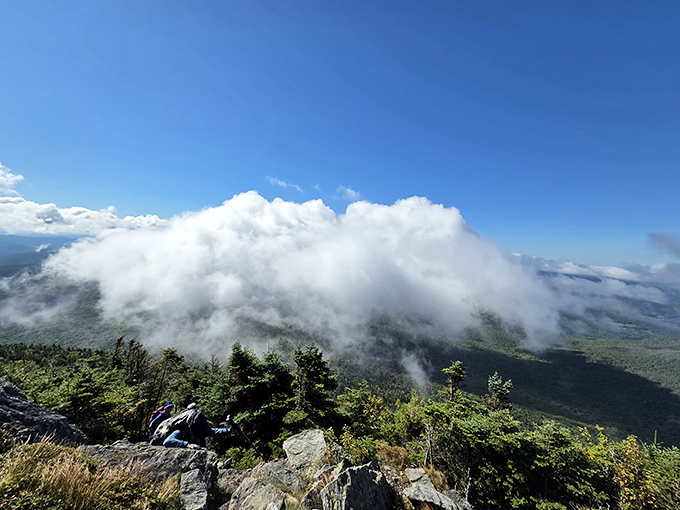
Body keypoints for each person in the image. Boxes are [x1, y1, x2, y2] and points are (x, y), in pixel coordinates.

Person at [161, 403, 233, 449]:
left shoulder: (200, 428)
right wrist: (187, 444)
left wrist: (228, 430)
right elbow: (167, 441)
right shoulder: (181, 430)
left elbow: (212, 431)